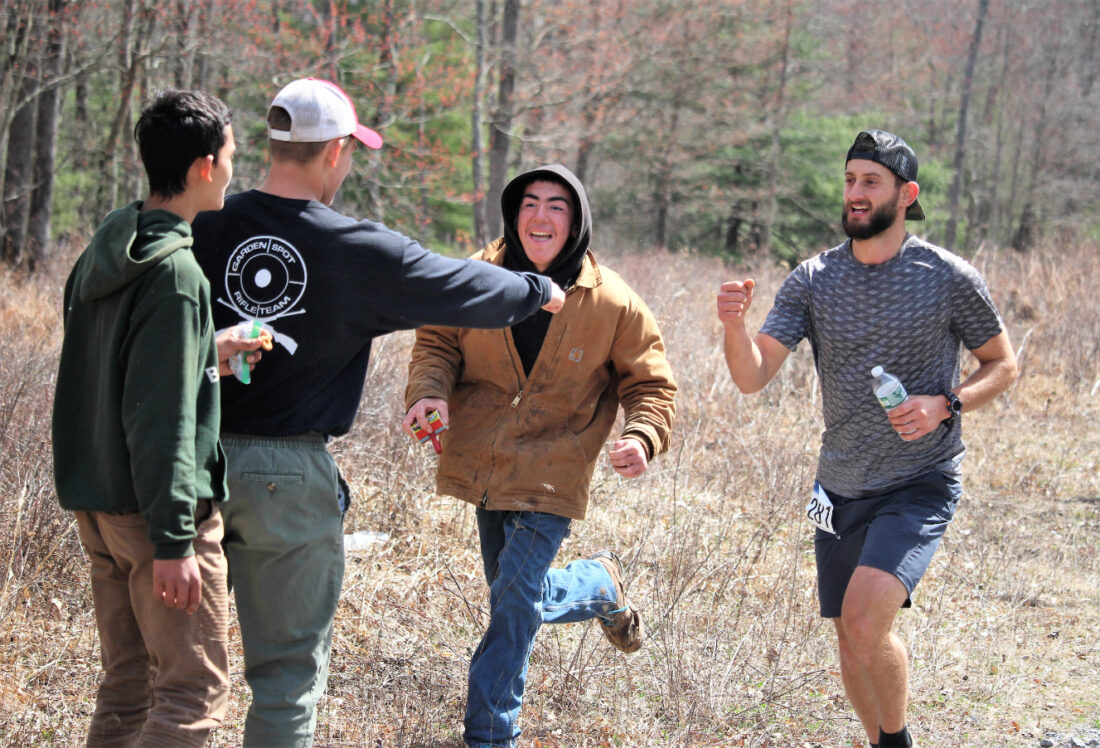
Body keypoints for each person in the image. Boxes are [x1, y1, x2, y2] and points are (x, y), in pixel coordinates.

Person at [190, 78, 566, 747]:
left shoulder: (201, 224)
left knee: (177, 681)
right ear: (336, 151)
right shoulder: (358, 250)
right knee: (284, 681)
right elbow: (460, 284)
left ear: (272, 144)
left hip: (187, 462)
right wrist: (537, 289)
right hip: (287, 481)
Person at [716, 129, 1017, 748]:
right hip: (840, 486)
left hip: (919, 479)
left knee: (863, 621)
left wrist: (946, 403)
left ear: (906, 194)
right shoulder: (813, 278)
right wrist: (733, 325)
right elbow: (751, 376)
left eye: (871, 182)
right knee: (849, 639)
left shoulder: (946, 276)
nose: (855, 192)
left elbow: (1003, 364)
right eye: (850, 180)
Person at [403, 163, 677, 748]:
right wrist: (428, 392)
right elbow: (437, 342)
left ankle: (490, 734)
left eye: (557, 205)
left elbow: (651, 385)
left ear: (576, 221)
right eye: (529, 203)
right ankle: (600, 585)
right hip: (486, 460)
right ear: (513, 213)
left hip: (556, 467)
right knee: (513, 595)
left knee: (514, 600)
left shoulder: (614, 303)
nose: (541, 216)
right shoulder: (476, 276)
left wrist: (642, 436)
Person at [51, 89, 264, 747]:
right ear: (204, 166)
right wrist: (175, 542)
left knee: (129, 685)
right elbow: (162, 419)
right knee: (191, 695)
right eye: (231, 155)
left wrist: (206, 352)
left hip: (101, 505)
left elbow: (115, 371)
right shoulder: (175, 275)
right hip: (158, 517)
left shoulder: (109, 248)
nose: (233, 169)